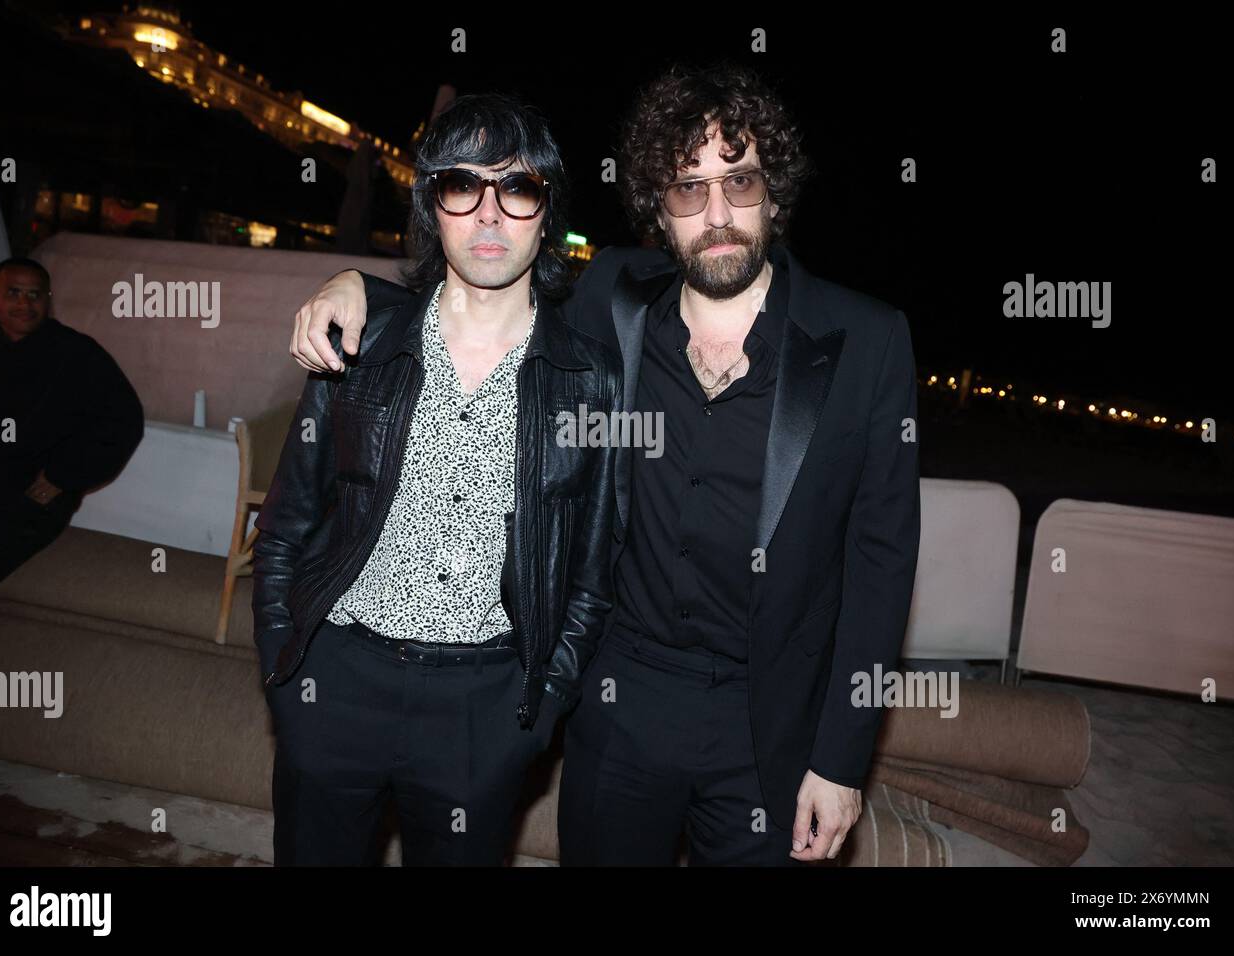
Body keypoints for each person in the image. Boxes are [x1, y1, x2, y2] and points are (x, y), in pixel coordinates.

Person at [289, 63, 920, 865]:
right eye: (689, 189)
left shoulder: (867, 341)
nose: (718, 214)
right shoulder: (613, 298)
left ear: (776, 191)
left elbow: (881, 568)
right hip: (618, 706)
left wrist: (840, 761)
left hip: (770, 729)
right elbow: (483, 286)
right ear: (659, 206)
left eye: (741, 182)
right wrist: (354, 287)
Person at [252, 93, 621, 865]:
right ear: (433, 207)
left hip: (484, 709)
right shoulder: (357, 341)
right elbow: (286, 520)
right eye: (462, 185)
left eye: (516, 188)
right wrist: (286, 673)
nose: (490, 214)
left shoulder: (590, 380)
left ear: (546, 213)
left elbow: (592, 570)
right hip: (337, 681)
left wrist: (541, 708)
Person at [0, 257, 143, 611]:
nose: (24, 304)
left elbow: (123, 419)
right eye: (14, 293)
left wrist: (65, 475)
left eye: (35, 295)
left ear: (48, 300)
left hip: (27, 499)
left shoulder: (75, 354)